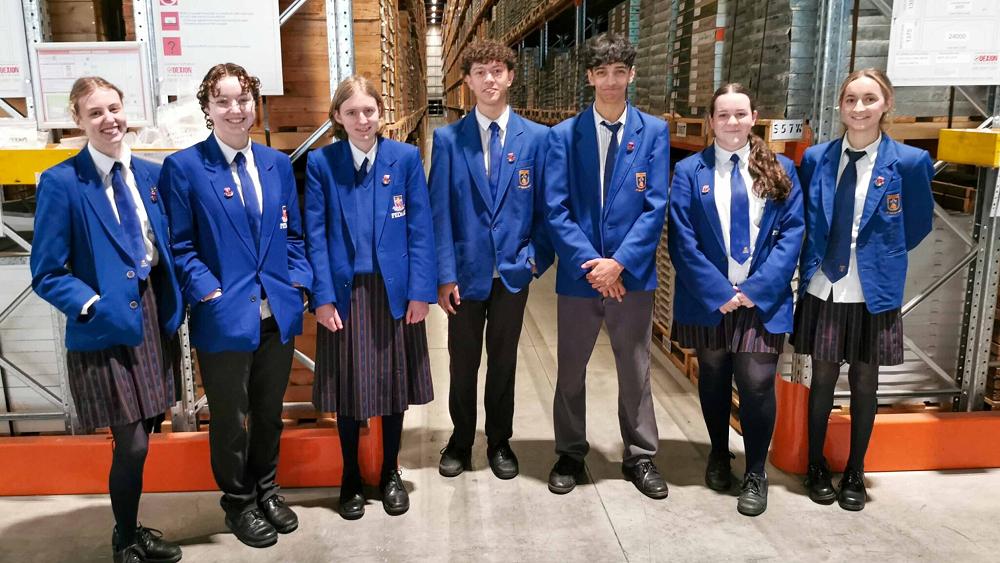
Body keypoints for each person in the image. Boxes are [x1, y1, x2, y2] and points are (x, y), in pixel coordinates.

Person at [30, 77, 183, 563]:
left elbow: (166, 245)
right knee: (132, 444)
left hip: (153, 320)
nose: (109, 120)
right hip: (104, 327)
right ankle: (124, 535)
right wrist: (92, 304)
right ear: (77, 120)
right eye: (95, 113)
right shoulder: (62, 182)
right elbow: (47, 272)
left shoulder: (152, 175)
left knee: (148, 431)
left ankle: (135, 529)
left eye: (114, 108)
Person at [160, 63, 312, 546]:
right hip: (224, 315)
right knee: (231, 417)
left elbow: (295, 236)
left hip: (276, 311)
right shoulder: (184, 168)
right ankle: (238, 501)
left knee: (269, 411)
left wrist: (300, 284)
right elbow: (179, 246)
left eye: (243, 99)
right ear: (207, 108)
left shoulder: (276, 164)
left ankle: (267, 488)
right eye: (223, 101)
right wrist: (210, 291)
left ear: (254, 105)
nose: (235, 109)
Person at [793, 68, 934, 511]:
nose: (859, 108)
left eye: (869, 99)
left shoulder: (908, 162)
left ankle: (855, 470)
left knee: (865, 383)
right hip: (825, 286)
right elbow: (808, 219)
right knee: (822, 379)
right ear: (840, 105)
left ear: (886, 104)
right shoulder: (817, 158)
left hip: (872, 288)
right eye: (850, 99)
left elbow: (917, 223)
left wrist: (877, 256)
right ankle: (816, 465)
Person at [543, 33, 671, 499]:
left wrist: (618, 265)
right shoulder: (564, 135)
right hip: (581, 279)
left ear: (632, 74)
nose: (611, 82)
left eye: (620, 72)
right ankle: (571, 452)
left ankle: (640, 455)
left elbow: (655, 207)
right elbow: (555, 208)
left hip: (630, 276)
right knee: (571, 367)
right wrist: (591, 266)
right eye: (602, 72)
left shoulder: (653, 132)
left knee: (634, 367)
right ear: (589, 77)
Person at [668, 84, 804, 516]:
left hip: (761, 298)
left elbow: (794, 233)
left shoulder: (780, 169)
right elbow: (682, 238)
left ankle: (756, 471)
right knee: (712, 372)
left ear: (754, 117)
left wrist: (754, 290)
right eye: (723, 115)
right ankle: (718, 453)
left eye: (740, 114)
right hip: (711, 298)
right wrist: (719, 293)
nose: (731, 122)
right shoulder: (690, 171)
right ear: (710, 121)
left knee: (757, 381)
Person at [304, 75, 436, 520]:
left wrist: (421, 291)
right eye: (352, 112)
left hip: (393, 294)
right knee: (349, 390)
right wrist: (320, 298)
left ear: (381, 113)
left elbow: (421, 229)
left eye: (370, 111)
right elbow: (315, 238)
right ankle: (349, 476)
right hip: (345, 296)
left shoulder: (404, 158)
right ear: (338, 118)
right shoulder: (323, 165)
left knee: (394, 385)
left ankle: (390, 472)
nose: (363, 120)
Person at [429, 39, 553, 480]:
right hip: (464, 275)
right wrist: (443, 275)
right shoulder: (447, 140)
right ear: (467, 81)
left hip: (513, 275)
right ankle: (460, 441)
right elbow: (438, 213)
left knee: (504, 361)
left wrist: (535, 260)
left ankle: (499, 440)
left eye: (498, 70)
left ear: (511, 76)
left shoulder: (537, 139)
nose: (490, 79)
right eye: (480, 71)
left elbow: (547, 210)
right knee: (463, 362)